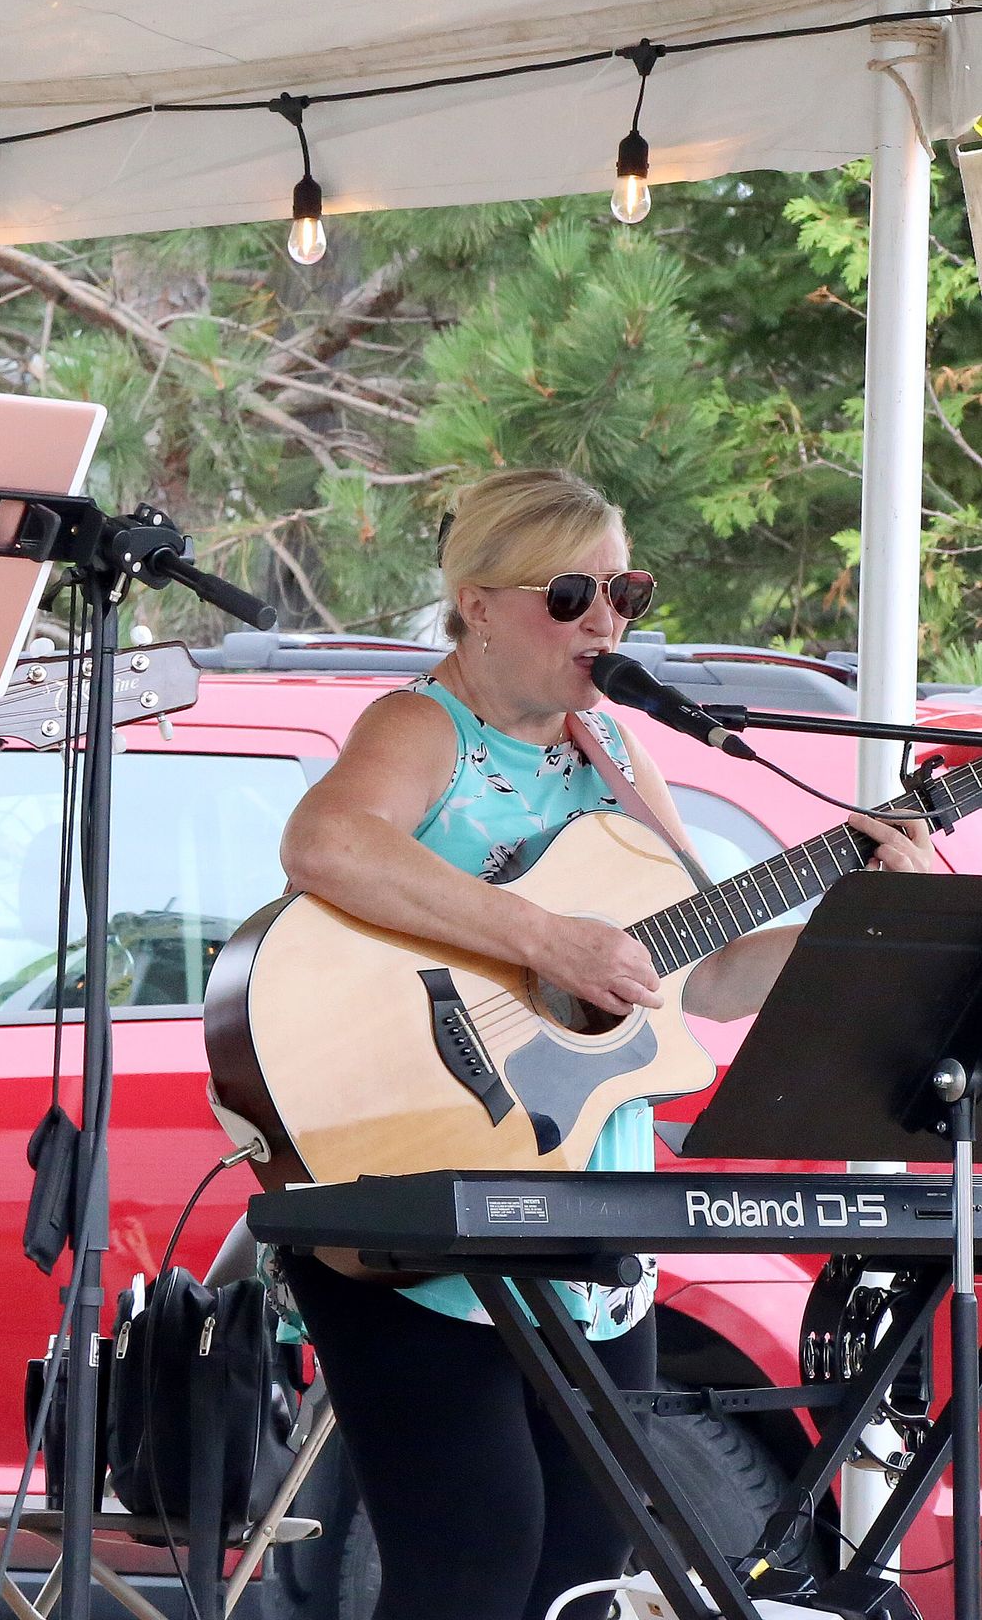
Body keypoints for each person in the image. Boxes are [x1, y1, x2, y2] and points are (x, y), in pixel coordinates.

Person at [273, 470, 944, 1619]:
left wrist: (858, 909)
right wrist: (544, 935)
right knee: (470, 1566)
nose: (607, 623)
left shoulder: (621, 754)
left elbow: (710, 974)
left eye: (624, 591)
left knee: (586, 1564)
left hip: (586, 1206)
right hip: (421, 1190)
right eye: (573, 592)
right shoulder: (419, 724)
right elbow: (325, 842)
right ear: (478, 601)